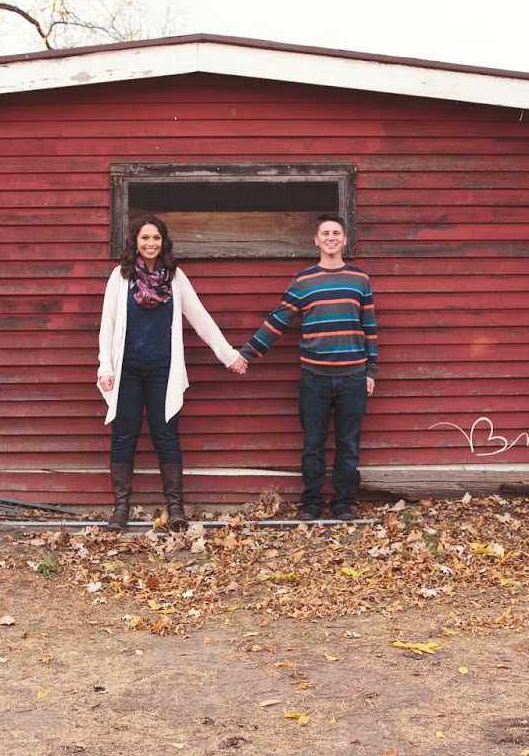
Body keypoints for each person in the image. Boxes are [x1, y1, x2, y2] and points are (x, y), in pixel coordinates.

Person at [97, 215, 246, 531]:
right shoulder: (120, 277)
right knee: (124, 437)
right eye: (144, 238)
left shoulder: (175, 279)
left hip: (163, 372)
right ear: (135, 242)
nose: (150, 243)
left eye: (156, 238)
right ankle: (121, 509)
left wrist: (229, 355)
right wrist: (105, 367)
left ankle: (175, 508)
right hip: (128, 373)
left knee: (166, 437)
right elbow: (107, 325)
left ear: (163, 242)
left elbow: (200, 318)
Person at [239, 214, 377, 520]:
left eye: (336, 233)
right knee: (312, 445)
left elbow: (369, 327)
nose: (331, 237)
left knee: (348, 445)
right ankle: (312, 503)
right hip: (314, 378)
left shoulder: (360, 280)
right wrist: (247, 353)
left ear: (344, 239)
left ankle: (343, 503)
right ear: (316, 240)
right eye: (325, 233)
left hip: (353, 377)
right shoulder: (303, 282)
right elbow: (278, 320)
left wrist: (371, 370)